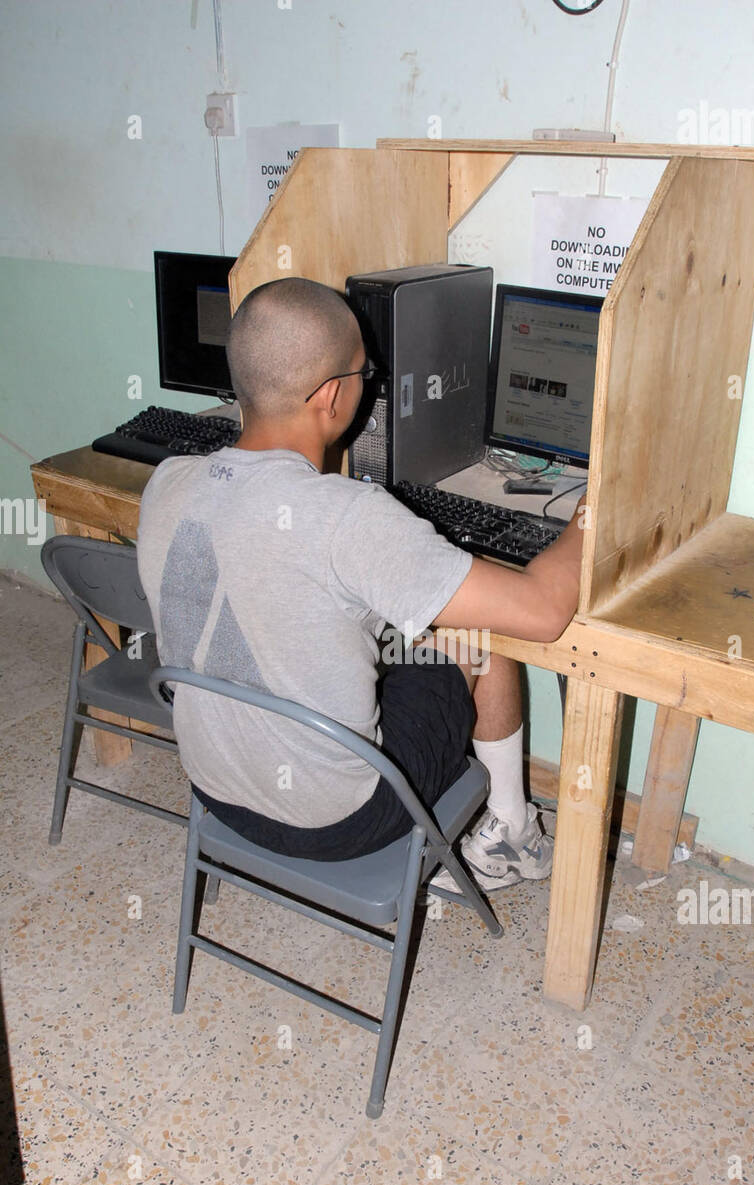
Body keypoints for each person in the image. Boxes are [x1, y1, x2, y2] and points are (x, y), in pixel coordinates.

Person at [137, 277, 585, 892]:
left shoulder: (167, 483)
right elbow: (543, 611)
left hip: (218, 792)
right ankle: (514, 835)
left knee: (396, 625)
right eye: (363, 372)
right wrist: (591, 519)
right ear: (332, 397)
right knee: (482, 628)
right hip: (341, 819)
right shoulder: (347, 515)